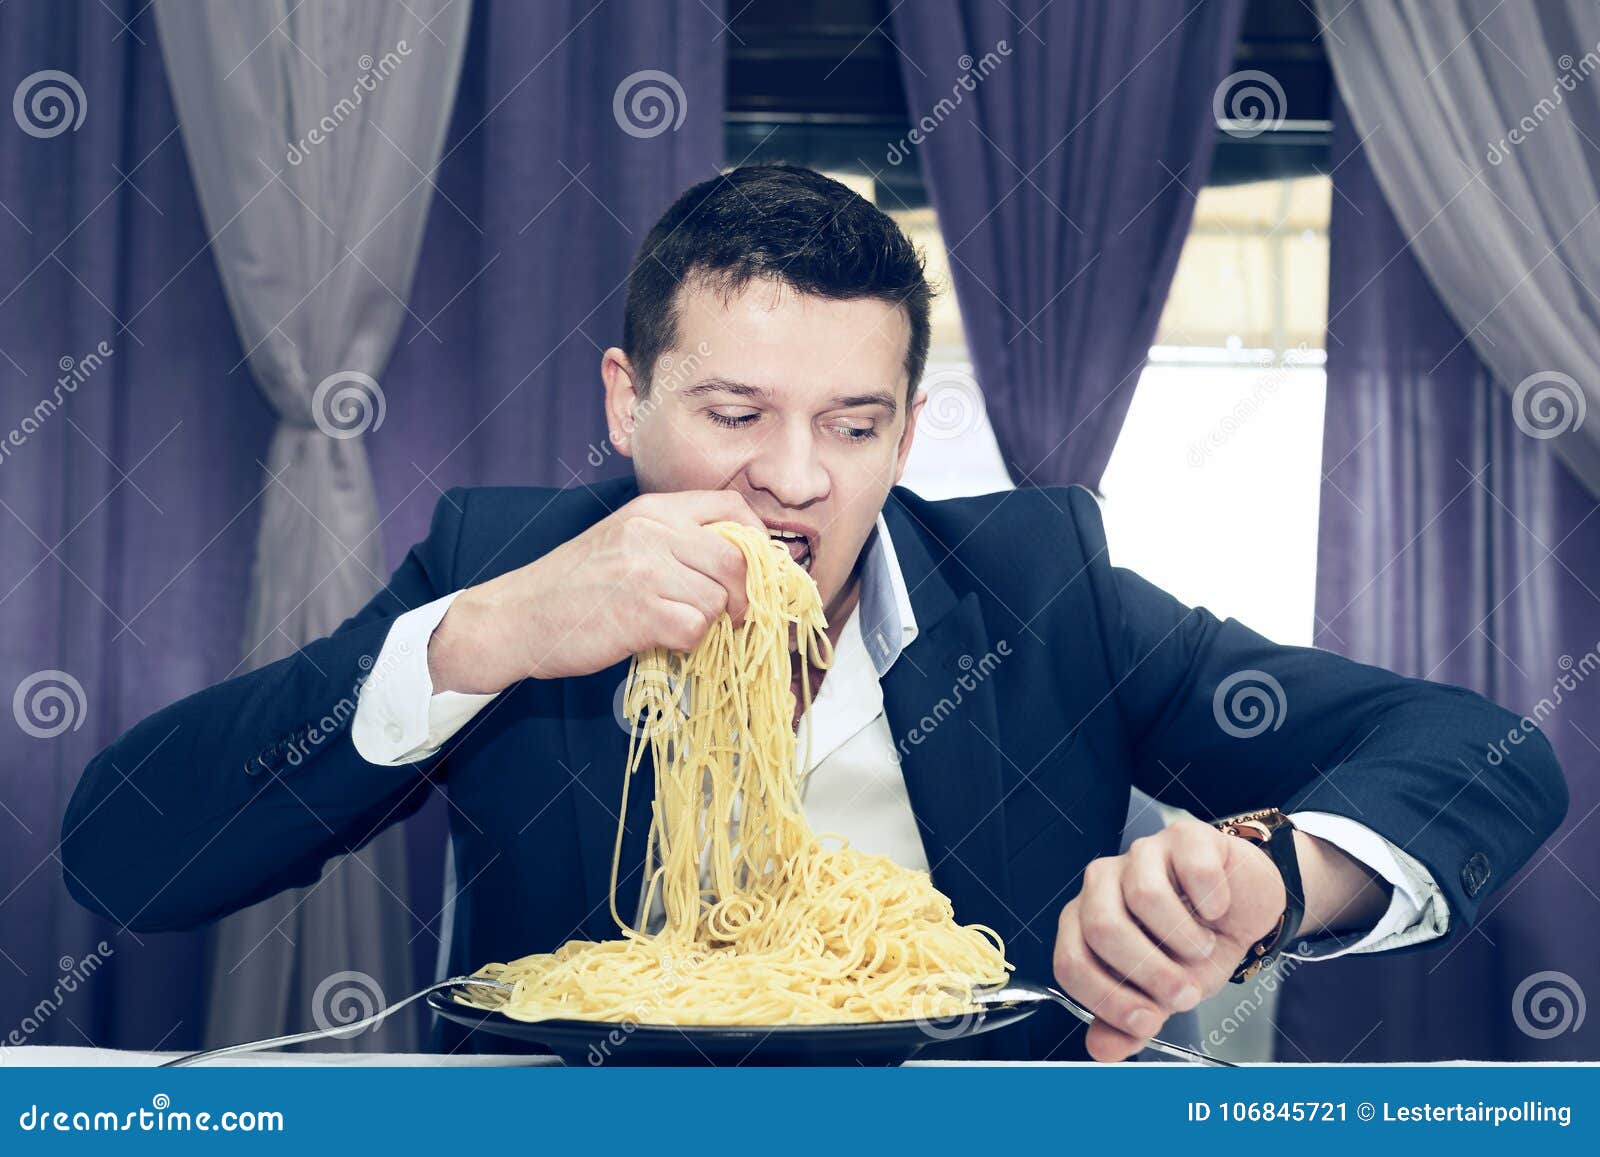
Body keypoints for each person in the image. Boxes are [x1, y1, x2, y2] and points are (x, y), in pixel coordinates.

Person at [63, 165, 1568, 1062]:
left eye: (855, 424)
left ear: (907, 432)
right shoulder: (505, 565)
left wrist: (1275, 881)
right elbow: (127, 849)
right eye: (735, 413)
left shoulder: (1044, 589)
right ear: (628, 403)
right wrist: (479, 640)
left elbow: (1485, 754)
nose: (795, 479)